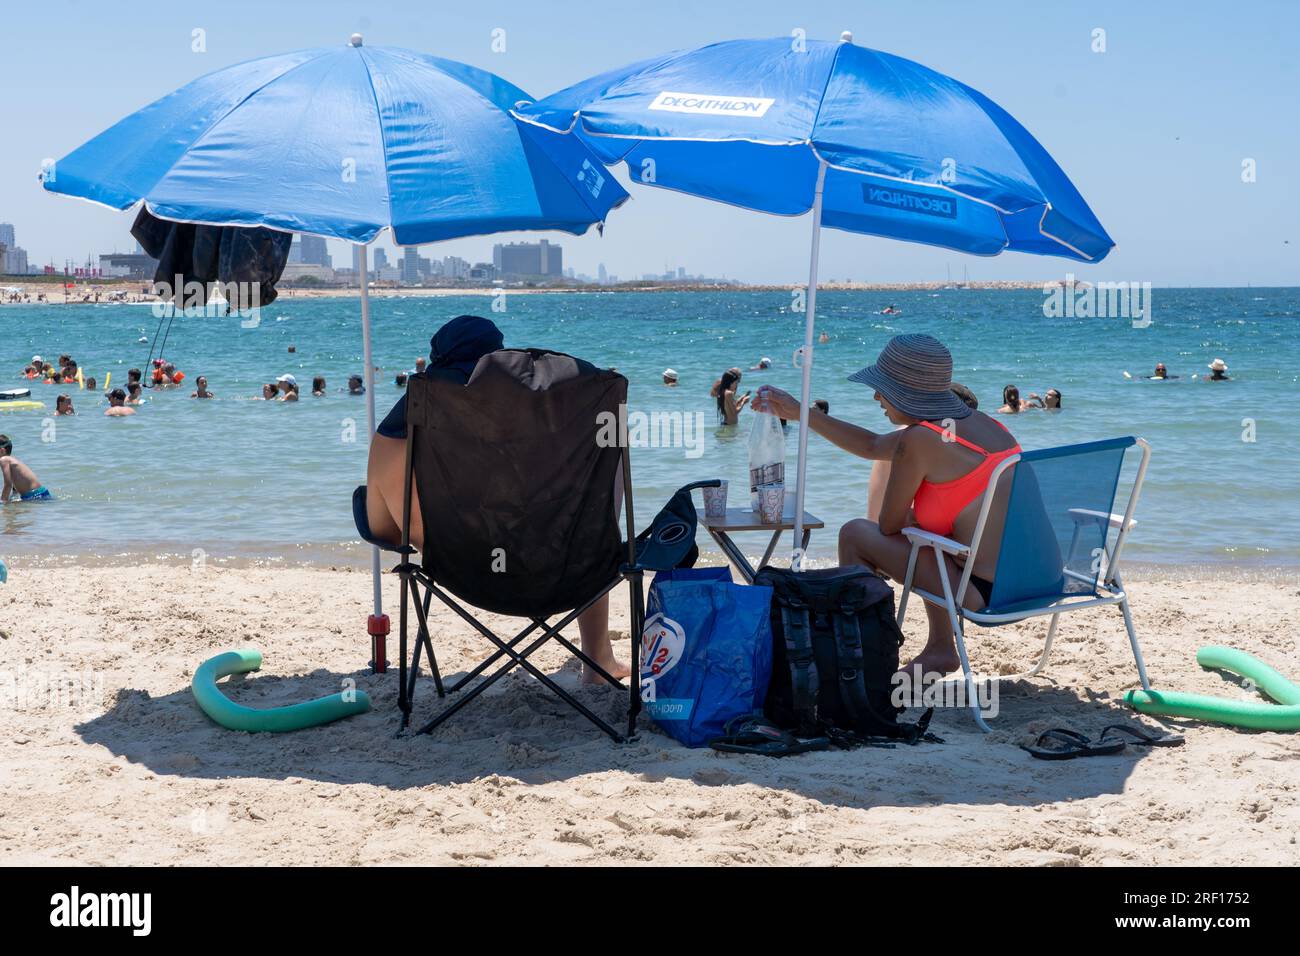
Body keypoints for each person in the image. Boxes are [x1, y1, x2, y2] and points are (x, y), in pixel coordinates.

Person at [365, 314, 630, 685]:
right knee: (588, 525)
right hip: (567, 569)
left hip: (461, 571)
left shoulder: (397, 430)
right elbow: (601, 517)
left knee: (586, 527)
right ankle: (597, 662)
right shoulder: (541, 436)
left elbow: (384, 530)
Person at [754, 334, 1021, 677]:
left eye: (883, 387)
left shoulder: (920, 440)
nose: (877, 396)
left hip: (982, 593)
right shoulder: (985, 424)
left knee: (855, 534)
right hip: (1033, 581)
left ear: (905, 391)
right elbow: (873, 444)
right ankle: (940, 647)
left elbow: (888, 526)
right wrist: (800, 412)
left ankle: (863, 655)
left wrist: (914, 507)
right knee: (930, 532)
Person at [0, 435, 52, 502]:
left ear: (2, 451)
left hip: (34, 496)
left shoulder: (4, 460)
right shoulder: (12, 460)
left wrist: (3, 502)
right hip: (39, 493)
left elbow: (8, 484)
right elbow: (15, 485)